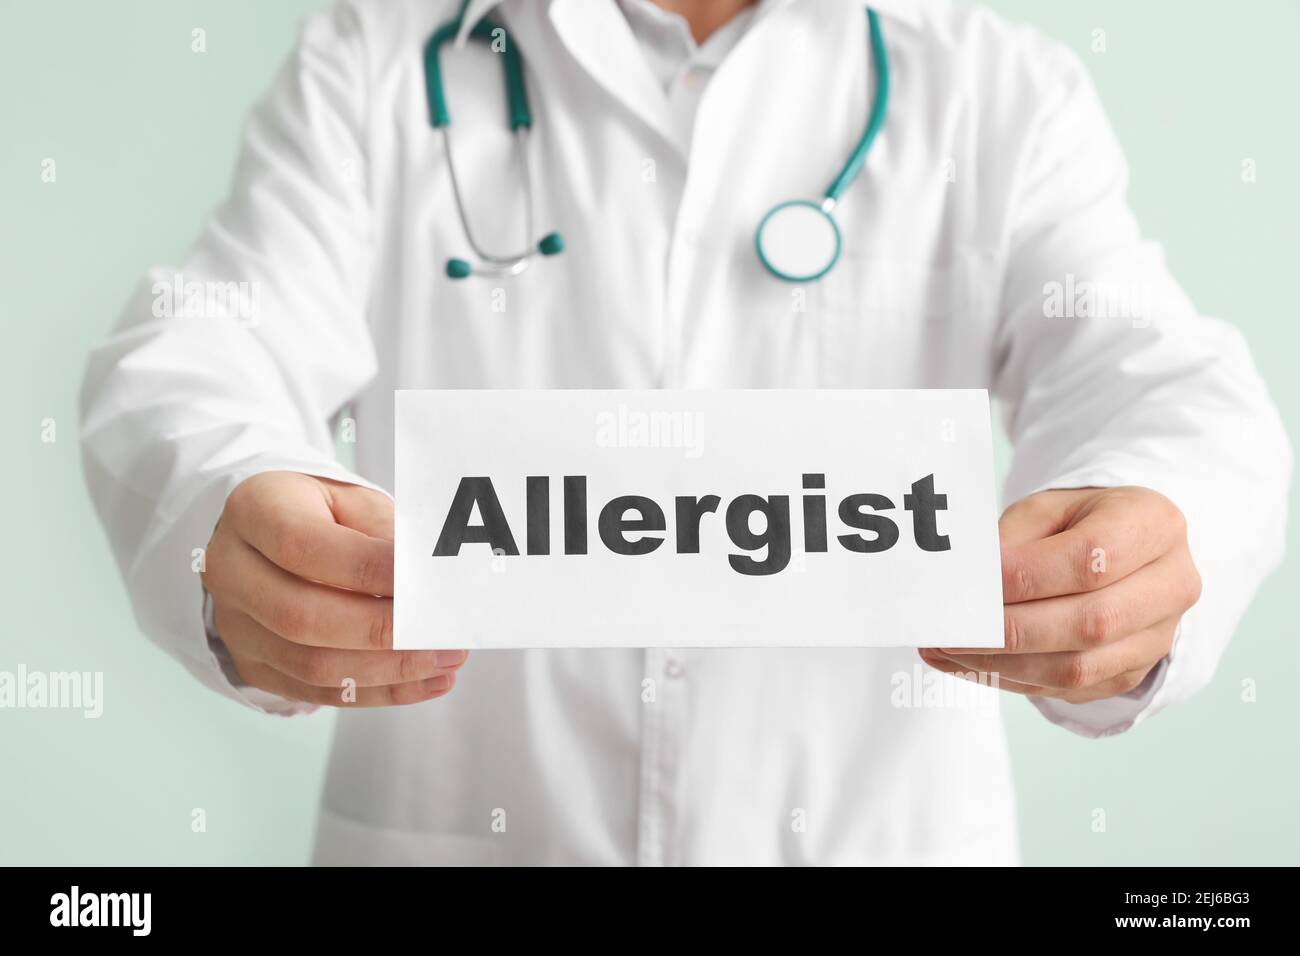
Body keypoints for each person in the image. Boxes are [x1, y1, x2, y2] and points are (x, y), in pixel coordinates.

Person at [79, 0, 1289, 865]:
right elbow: (205, 344)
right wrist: (229, 503)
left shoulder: (995, 87)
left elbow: (1164, 385)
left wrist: (1142, 529)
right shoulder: (378, 58)